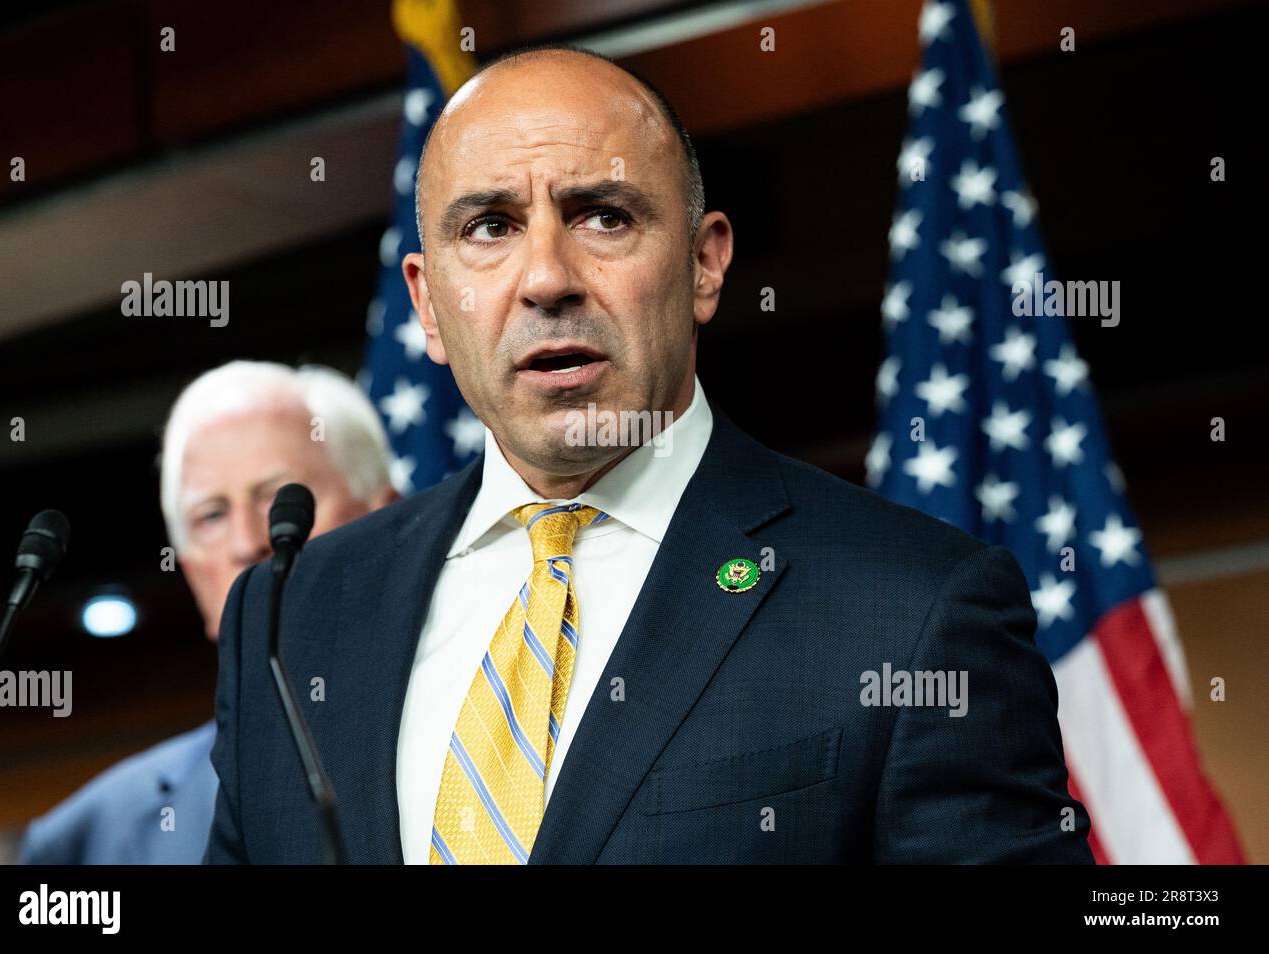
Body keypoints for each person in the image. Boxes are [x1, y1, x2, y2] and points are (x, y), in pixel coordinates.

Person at [206, 44, 1094, 864]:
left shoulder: (915, 611)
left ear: (705, 265)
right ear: (429, 305)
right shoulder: (288, 625)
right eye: (488, 227)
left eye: (602, 215)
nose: (546, 278)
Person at [19, 361, 397, 864]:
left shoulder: (494, 733)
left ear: (385, 519)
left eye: (282, 501)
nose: (246, 544)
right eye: (212, 515)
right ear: (194, 574)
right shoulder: (89, 842)